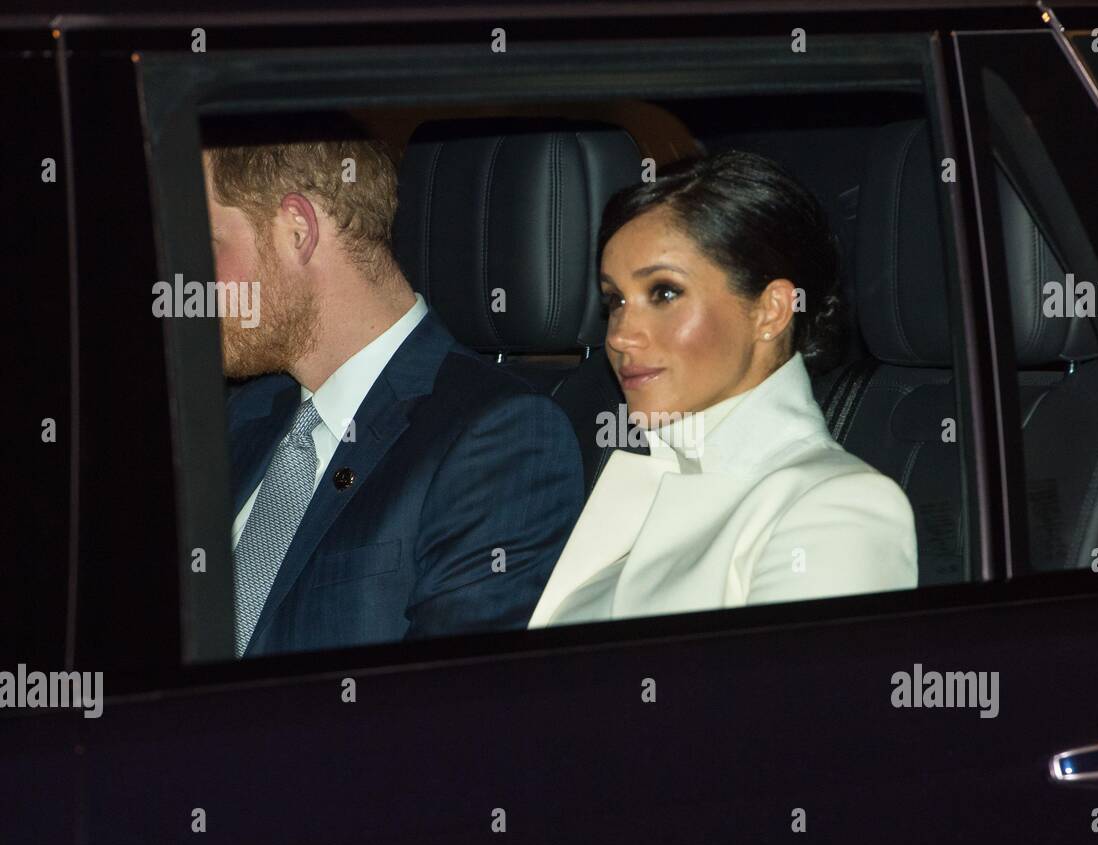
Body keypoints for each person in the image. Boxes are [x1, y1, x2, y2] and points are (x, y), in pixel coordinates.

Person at [208, 127, 583, 657]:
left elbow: (449, 715)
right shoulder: (240, 415)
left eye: (209, 244)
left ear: (298, 230)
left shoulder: (499, 440)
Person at [529, 150, 917, 628]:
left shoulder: (837, 509)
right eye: (616, 300)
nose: (620, 335)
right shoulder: (635, 477)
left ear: (772, 311)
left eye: (664, 293)